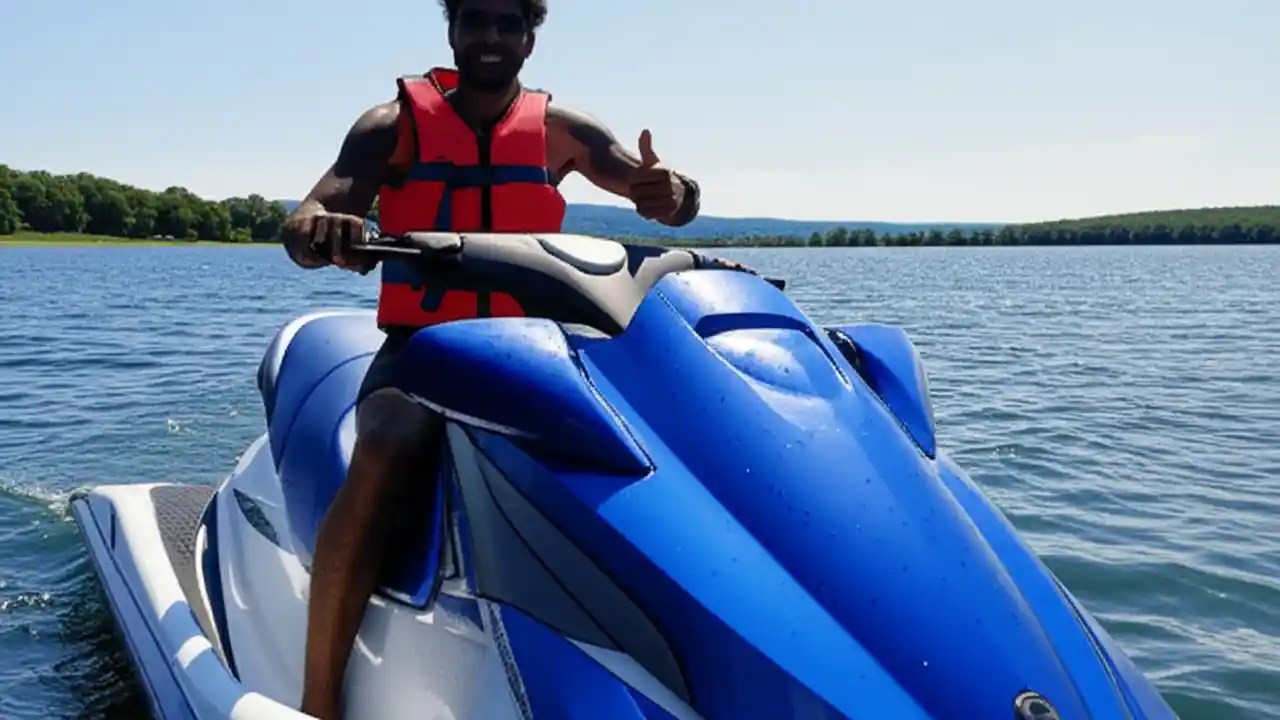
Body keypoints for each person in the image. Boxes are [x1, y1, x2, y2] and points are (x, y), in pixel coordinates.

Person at [277, 1, 752, 717]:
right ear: (453, 32)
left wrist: (674, 194)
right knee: (387, 443)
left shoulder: (564, 132)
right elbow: (315, 208)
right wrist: (320, 227)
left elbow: (656, 193)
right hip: (425, 349)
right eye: (476, 21)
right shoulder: (390, 126)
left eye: (507, 23)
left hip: (533, 351)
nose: (491, 37)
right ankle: (319, 696)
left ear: (530, 38)